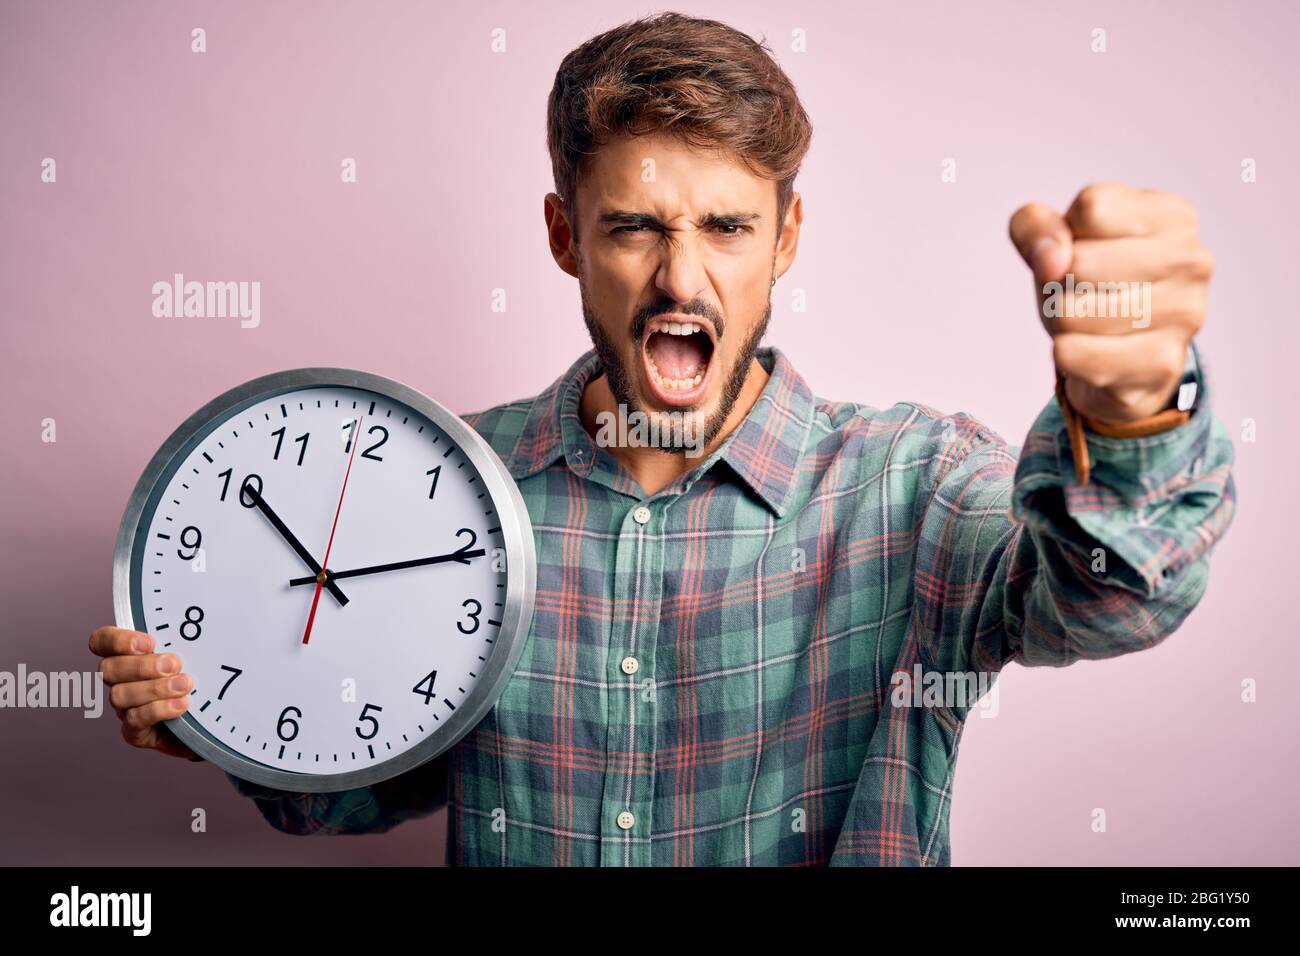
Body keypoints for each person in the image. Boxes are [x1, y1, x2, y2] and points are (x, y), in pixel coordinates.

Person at [89, 12, 1236, 866]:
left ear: (785, 238)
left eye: (728, 226)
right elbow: (361, 780)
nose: (681, 275)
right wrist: (218, 720)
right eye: (633, 226)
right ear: (563, 235)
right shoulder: (451, 486)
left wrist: (1132, 422)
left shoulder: (913, 484)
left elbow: (1110, 602)